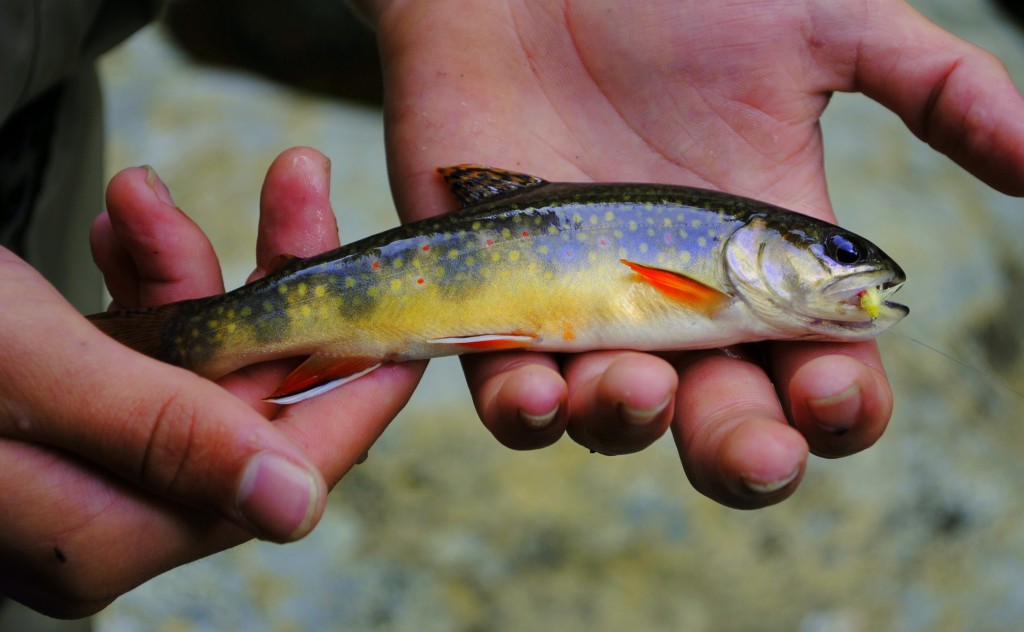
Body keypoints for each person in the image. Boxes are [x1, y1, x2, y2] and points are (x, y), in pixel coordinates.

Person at [2, 0, 1023, 621]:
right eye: (837, 258)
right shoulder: (711, 273)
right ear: (755, 253)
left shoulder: (731, 279)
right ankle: (180, 346)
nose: (853, 276)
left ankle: (161, 350)